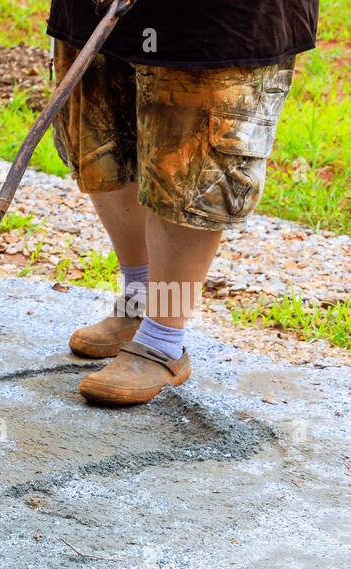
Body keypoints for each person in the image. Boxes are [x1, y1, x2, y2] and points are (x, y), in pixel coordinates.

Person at [47, 0, 318, 405]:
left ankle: (163, 338)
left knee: (192, 164)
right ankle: (140, 301)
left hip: (215, 20)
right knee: (101, 144)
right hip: (95, 9)